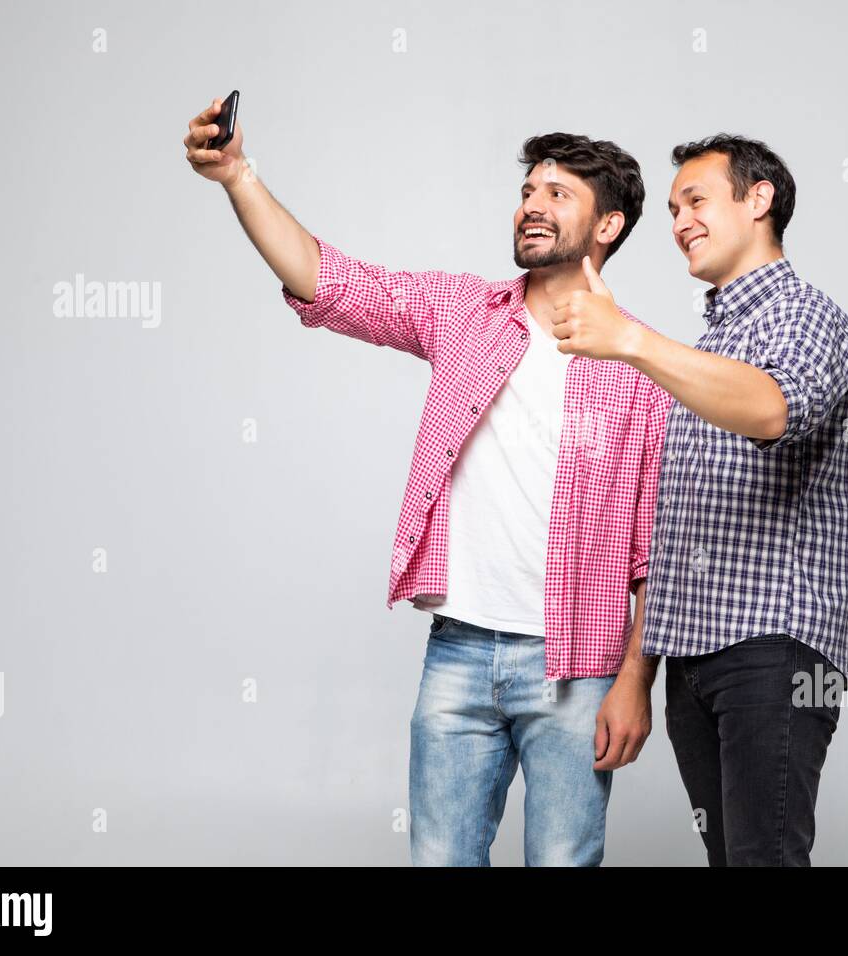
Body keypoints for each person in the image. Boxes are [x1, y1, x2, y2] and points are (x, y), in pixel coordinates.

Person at [183, 99, 670, 866]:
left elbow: (656, 556)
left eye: (558, 194)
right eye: (528, 191)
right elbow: (332, 281)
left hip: (578, 665)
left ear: (607, 227)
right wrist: (237, 176)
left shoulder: (643, 370)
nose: (532, 206)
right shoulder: (463, 314)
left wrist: (635, 682)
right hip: (460, 649)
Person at [549, 133, 848, 866]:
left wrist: (630, 338)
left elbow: (773, 410)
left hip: (773, 649)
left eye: (696, 200)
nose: (679, 221)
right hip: (692, 661)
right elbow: (673, 526)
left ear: (759, 200)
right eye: (670, 209)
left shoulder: (809, 316)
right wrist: (639, 674)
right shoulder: (704, 349)